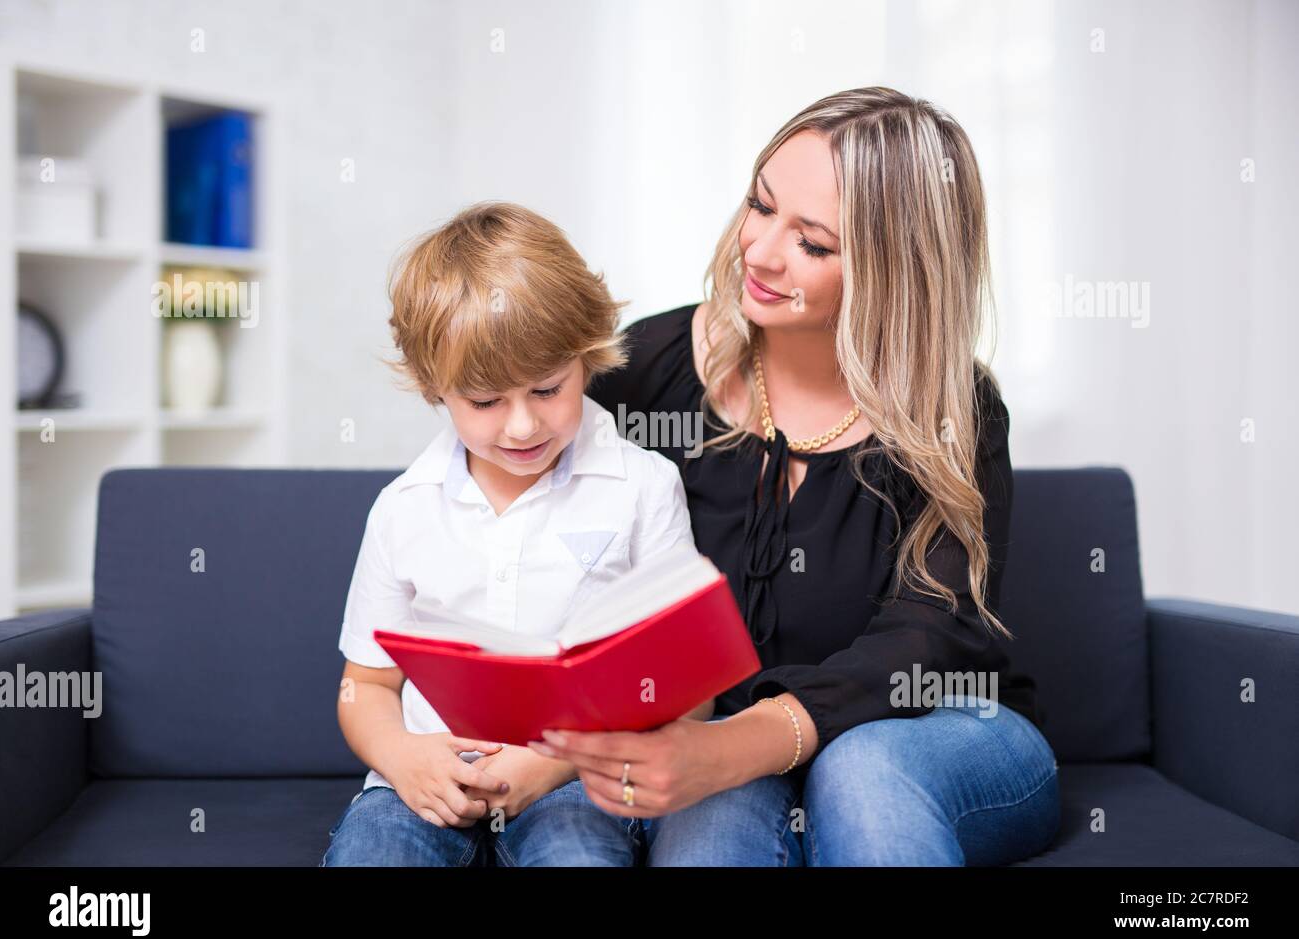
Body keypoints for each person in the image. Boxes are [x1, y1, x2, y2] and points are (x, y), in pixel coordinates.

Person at [535, 87, 1061, 866]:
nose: (761, 251)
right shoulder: (655, 366)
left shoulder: (958, 407)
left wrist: (738, 744)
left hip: (937, 726)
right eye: (760, 205)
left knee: (861, 769)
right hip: (720, 743)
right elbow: (503, 464)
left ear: (896, 271)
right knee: (711, 831)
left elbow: (929, 634)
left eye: (812, 243)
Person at [322, 202, 707, 866]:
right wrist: (403, 757)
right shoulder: (402, 508)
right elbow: (366, 687)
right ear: (433, 389)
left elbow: (684, 693)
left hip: (574, 784)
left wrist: (551, 764)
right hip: (420, 784)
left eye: (547, 389)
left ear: (587, 359)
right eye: (485, 402)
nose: (523, 427)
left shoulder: (645, 486)